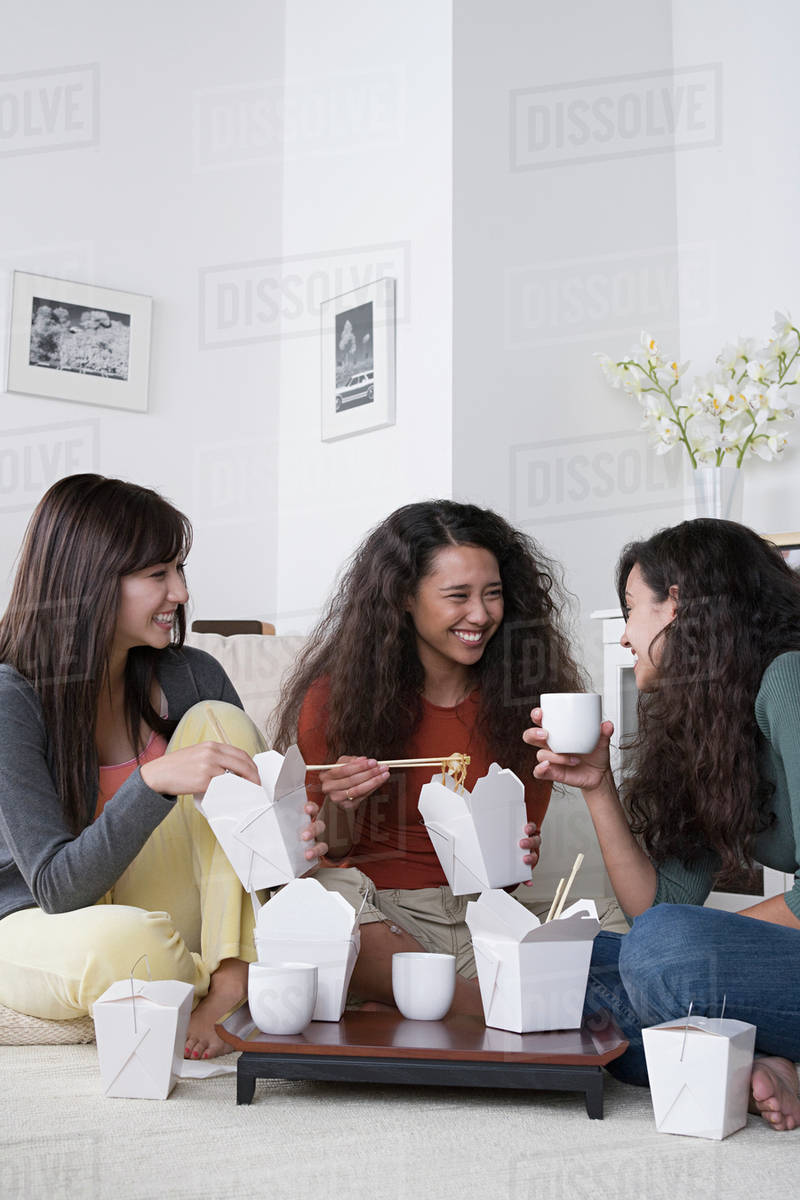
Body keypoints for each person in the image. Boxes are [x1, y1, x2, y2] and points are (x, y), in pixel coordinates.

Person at [0, 474, 326, 1059]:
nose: (179, 592)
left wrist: (297, 827)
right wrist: (150, 781)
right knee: (127, 944)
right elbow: (55, 888)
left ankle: (229, 980)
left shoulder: (190, 674)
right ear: (89, 581)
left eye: (179, 571)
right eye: (157, 575)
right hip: (44, 921)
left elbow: (253, 856)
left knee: (216, 722)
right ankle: (234, 969)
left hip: (187, 923)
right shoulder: (11, 698)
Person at [526, 517, 800, 1131]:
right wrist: (597, 784)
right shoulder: (710, 721)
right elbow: (659, 903)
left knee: (660, 956)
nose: (625, 636)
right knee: (568, 968)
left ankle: (739, 1055)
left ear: (675, 605)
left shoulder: (790, 679)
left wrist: (684, 942)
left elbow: (664, 934)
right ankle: (767, 1060)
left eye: (630, 609)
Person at [272, 499, 584, 1014]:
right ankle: (474, 1008)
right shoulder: (335, 698)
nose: (480, 616)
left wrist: (517, 848)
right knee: (315, 902)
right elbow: (332, 851)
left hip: (477, 915)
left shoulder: (527, 701)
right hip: (377, 911)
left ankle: (410, 1001)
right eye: (457, 596)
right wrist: (339, 803)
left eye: (493, 595)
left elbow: (506, 872)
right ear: (404, 598)